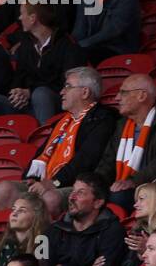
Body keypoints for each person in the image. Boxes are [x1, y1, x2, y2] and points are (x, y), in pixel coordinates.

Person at [94, 74, 156, 205]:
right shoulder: (122, 125)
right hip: (124, 188)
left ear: (142, 96)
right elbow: (107, 163)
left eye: (123, 92)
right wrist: (94, 186)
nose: (117, 98)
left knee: (116, 198)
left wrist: (133, 181)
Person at [23, 67, 118, 195]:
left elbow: (85, 160)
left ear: (85, 92)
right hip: (47, 181)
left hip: (73, 185)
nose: (62, 92)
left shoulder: (102, 120)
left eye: (68, 86)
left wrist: (55, 182)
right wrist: (31, 178)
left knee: (50, 198)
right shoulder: (62, 122)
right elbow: (42, 152)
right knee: (5, 189)